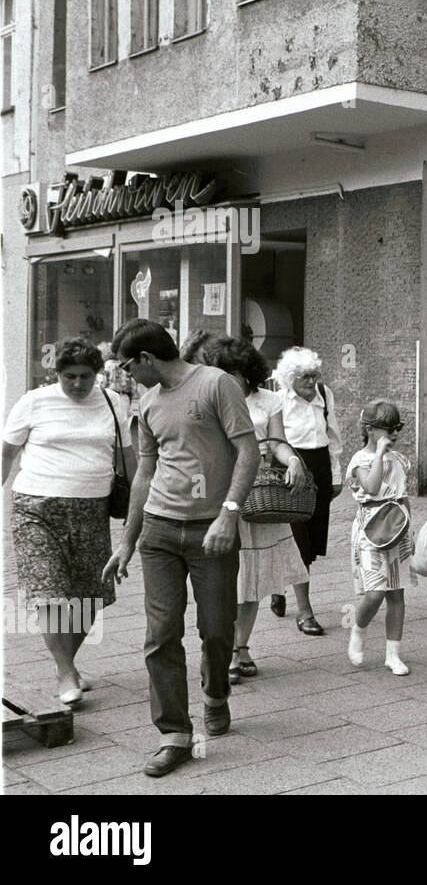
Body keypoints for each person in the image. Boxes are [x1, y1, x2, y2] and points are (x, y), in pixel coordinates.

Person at [101, 321, 260, 778]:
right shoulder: (147, 406)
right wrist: (127, 542)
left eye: (128, 366)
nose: (128, 376)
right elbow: (144, 477)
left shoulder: (216, 384)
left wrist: (229, 513)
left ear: (147, 358)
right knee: (161, 633)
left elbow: (246, 451)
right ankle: (174, 734)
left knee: (216, 628)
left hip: (213, 528)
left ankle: (215, 693)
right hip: (160, 532)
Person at [3, 338, 136, 706]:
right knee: (49, 593)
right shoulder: (34, 401)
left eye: (86, 376)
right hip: (37, 506)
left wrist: (139, 511)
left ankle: (70, 665)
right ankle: (64, 671)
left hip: (93, 508)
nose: (78, 384)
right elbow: (6, 454)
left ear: (97, 374)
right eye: (69, 376)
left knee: (90, 594)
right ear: (56, 373)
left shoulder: (113, 402)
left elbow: (129, 460)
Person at [179, 333, 309, 683]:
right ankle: (221, 647)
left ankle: (240, 648)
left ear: (246, 370)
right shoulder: (206, 397)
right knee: (226, 579)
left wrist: (293, 459)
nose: (226, 377)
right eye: (220, 369)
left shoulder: (268, 400)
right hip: (221, 495)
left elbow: (277, 442)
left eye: (233, 370)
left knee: (253, 577)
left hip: (261, 498)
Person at [272, 347, 342, 635]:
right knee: (298, 540)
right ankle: (305, 611)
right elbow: (275, 441)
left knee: (311, 543)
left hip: (320, 467)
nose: (312, 382)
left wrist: (336, 476)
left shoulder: (325, 394)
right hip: (292, 468)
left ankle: (280, 585)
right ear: (290, 378)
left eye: (314, 375)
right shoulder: (279, 400)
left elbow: (333, 436)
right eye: (304, 377)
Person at [345, 400, 416, 676]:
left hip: (396, 528)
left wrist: (410, 530)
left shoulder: (399, 460)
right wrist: (378, 454)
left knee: (396, 594)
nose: (394, 434)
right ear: (370, 430)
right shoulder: (359, 461)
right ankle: (358, 629)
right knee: (375, 593)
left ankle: (393, 654)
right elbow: (373, 487)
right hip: (370, 529)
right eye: (388, 429)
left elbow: (403, 496)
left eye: (397, 428)